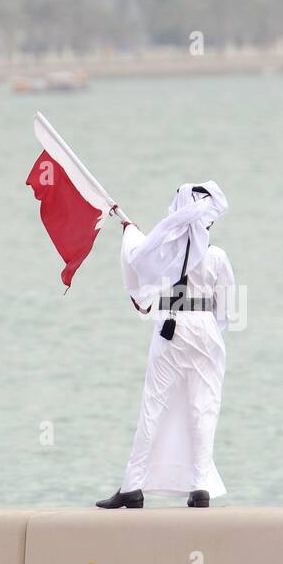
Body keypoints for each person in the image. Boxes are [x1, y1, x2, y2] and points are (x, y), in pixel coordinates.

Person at [96, 183, 235, 510]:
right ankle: (200, 486)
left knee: (152, 406)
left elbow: (137, 262)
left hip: (169, 325)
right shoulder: (217, 257)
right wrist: (209, 331)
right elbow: (227, 311)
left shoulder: (161, 250)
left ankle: (133, 486)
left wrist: (130, 231)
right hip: (205, 328)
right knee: (205, 406)